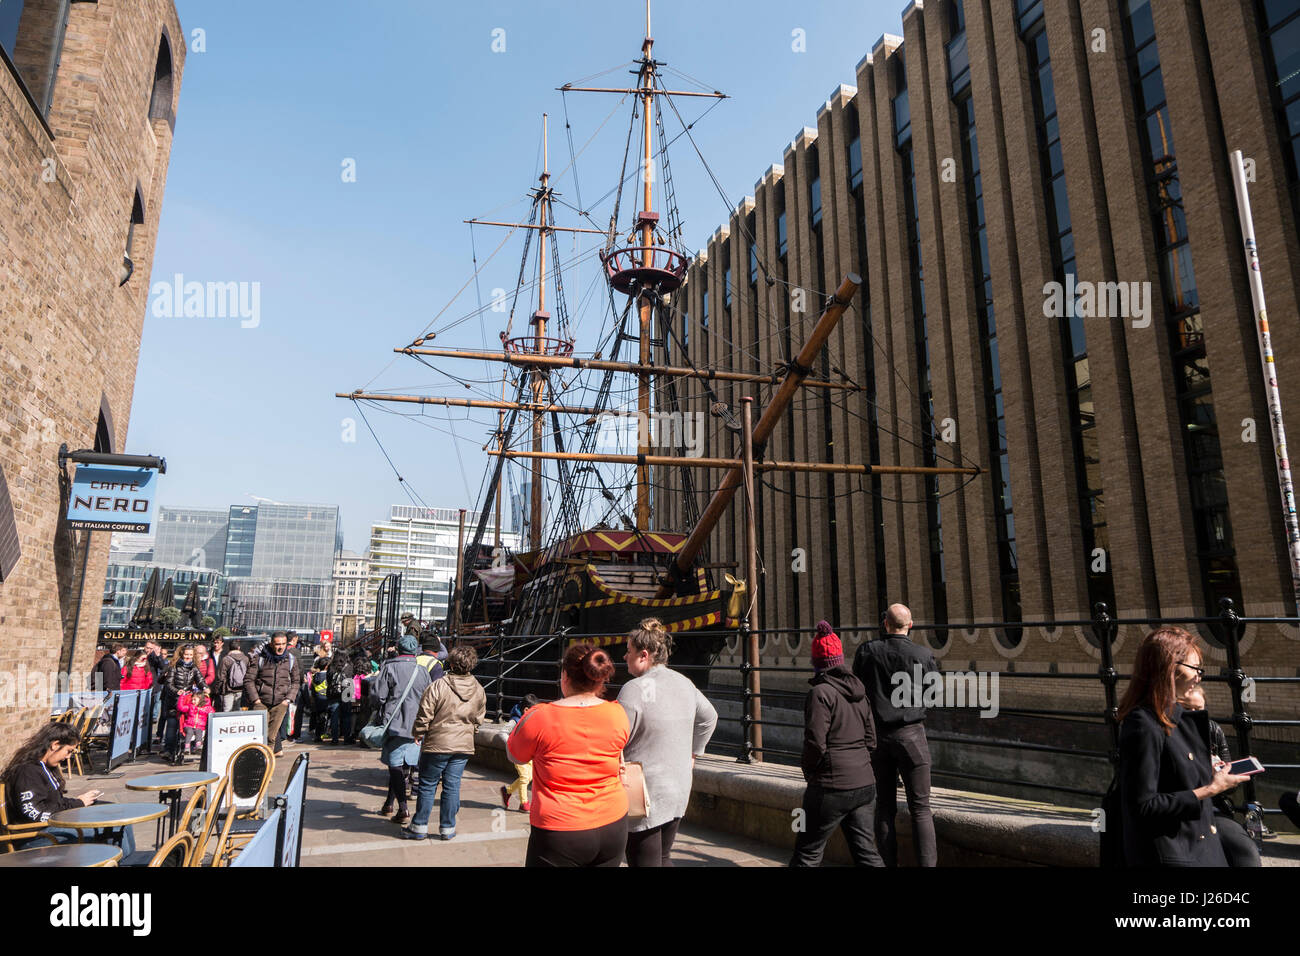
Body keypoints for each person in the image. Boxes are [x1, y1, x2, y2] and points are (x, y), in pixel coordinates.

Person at [1117, 626, 1247, 866]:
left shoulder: (1178, 719)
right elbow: (1143, 806)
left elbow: (1177, 779)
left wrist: (1211, 772)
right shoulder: (1143, 723)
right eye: (1194, 668)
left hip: (1199, 846)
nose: (1199, 676)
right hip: (1175, 855)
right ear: (1169, 667)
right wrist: (1212, 788)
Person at [507, 643, 629, 867]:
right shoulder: (618, 713)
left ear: (565, 675)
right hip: (613, 823)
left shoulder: (540, 716)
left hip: (560, 829)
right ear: (600, 678)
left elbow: (516, 755)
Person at [617, 618, 718, 866]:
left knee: (643, 860)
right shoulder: (684, 683)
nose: (624, 657)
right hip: (678, 784)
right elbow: (710, 717)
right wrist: (694, 753)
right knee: (663, 856)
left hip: (643, 790)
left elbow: (615, 738)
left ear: (643, 655)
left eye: (628, 652)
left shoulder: (633, 689)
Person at [852, 604, 938, 867]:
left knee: (884, 807)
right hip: (911, 735)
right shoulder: (923, 654)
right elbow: (933, 696)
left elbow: (857, 690)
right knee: (921, 809)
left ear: (885, 624)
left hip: (878, 737)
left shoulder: (867, 651)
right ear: (910, 625)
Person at [790, 622, 883, 867]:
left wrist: (810, 772)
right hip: (865, 785)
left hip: (830, 787)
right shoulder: (860, 692)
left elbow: (815, 743)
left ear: (816, 661)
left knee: (807, 852)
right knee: (867, 853)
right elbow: (871, 740)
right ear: (840, 659)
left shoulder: (820, 693)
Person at [1, 723, 134, 856]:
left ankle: (128, 861)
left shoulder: (45, 767)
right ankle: (119, 862)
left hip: (48, 829)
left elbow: (53, 802)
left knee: (121, 818)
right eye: (69, 751)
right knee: (112, 827)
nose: (68, 757)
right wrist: (77, 804)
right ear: (55, 745)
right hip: (35, 836)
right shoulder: (27, 772)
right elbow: (35, 813)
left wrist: (79, 802)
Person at [404, 644, 487, 840]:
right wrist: (469, 733)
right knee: (452, 786)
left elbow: (424, 715)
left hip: (437, 743)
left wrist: (418, 733)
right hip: (463, 745)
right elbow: (479, 718)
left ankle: (419, 826)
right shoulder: (478, 689)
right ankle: (448, 828)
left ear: (450, 662)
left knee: (427, 784)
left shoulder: (438, 686)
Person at [1179, 685, 1260, 867]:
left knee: (1246, 853)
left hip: (1214, 808)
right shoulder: (1167, 734)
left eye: (1198, 710)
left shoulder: (1213, 731)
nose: (1193, 715)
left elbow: (1232, 789)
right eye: (1187, 710)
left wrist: (1223, 774)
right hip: (1183, 811)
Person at [373, 635, 433, 824]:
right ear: (415, 651)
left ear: (398, 649)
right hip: (417, 725)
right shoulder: (422, 671)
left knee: (395, 766)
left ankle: (403, 808)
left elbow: (377, 696)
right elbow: (430, 697)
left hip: (395, 724)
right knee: (402, 766)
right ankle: (389, 804)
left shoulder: (389, 667)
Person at [244, 632, 301, 757]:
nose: (280, 647)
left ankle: (267, 766)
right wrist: (256, 700)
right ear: (271, 644)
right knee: (259, 735)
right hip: (261, 702)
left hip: (280, 703)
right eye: (277, 644)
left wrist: (288, 700)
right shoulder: (260, 658)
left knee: (271, 737)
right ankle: (258, 762)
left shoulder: (290, 659)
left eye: (283, 644)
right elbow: (248, 680)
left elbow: (296, 681)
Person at [499, 694, 540, 813]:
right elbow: (502, 732)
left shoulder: (529, 718)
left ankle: (507, 791)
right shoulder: (515, 720)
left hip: (528, 752)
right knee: (524, 777)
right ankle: (524, 804)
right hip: (517, 753)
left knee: (529, 777)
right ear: (526, 710)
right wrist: (512, 745)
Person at [161, 644, 203, 761]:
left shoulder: (194, 668)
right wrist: (176, 691)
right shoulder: (173, 666)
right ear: (181, 654)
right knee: (172, 726)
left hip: (187, 702)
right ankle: (168, 750)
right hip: (173, 701)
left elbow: (200, 680)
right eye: (186, 655)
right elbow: (168, 683)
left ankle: (185, 748)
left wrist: (205, 688)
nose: (188, 657)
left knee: (185, 728)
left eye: (190, 655)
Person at [176, 688, 214, 764]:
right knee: (189, 732)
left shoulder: (206, 708)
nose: (192, 701)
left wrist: (207, 697)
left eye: (194, 700)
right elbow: (181, 708)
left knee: (199, 731)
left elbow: (212, 711)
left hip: (199, 726)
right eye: (192, 700)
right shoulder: (190, 706)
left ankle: (198, 745)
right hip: (188, 725)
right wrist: (182, 697)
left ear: (201, 700)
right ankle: (187, 747)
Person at [326, 650, 355, 745]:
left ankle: (334, 739)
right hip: (347, 691)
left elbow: (328, 679)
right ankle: (347, 738)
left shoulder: (331, 666)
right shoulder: (349, 666)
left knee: (334, 716)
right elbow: (351, 678)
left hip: (334, 693)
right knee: (347, 716)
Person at [215, 640, 250, 712]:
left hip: (228, 689)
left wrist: (218, 689)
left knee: (227, 710)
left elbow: (221, 676)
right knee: (237, 710)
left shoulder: (226, 659)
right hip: (241, 688)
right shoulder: (246, 659)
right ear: (239, 648)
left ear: (229, 648)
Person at [309, 658, 331, 743]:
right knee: (326, 718)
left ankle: (318, 735)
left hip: (318, 699)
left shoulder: (315, 676)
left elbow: (312, 689)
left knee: (319, 718)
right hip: (327, 699)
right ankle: (323, 734)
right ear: (326, 667)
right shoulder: (328, 676)